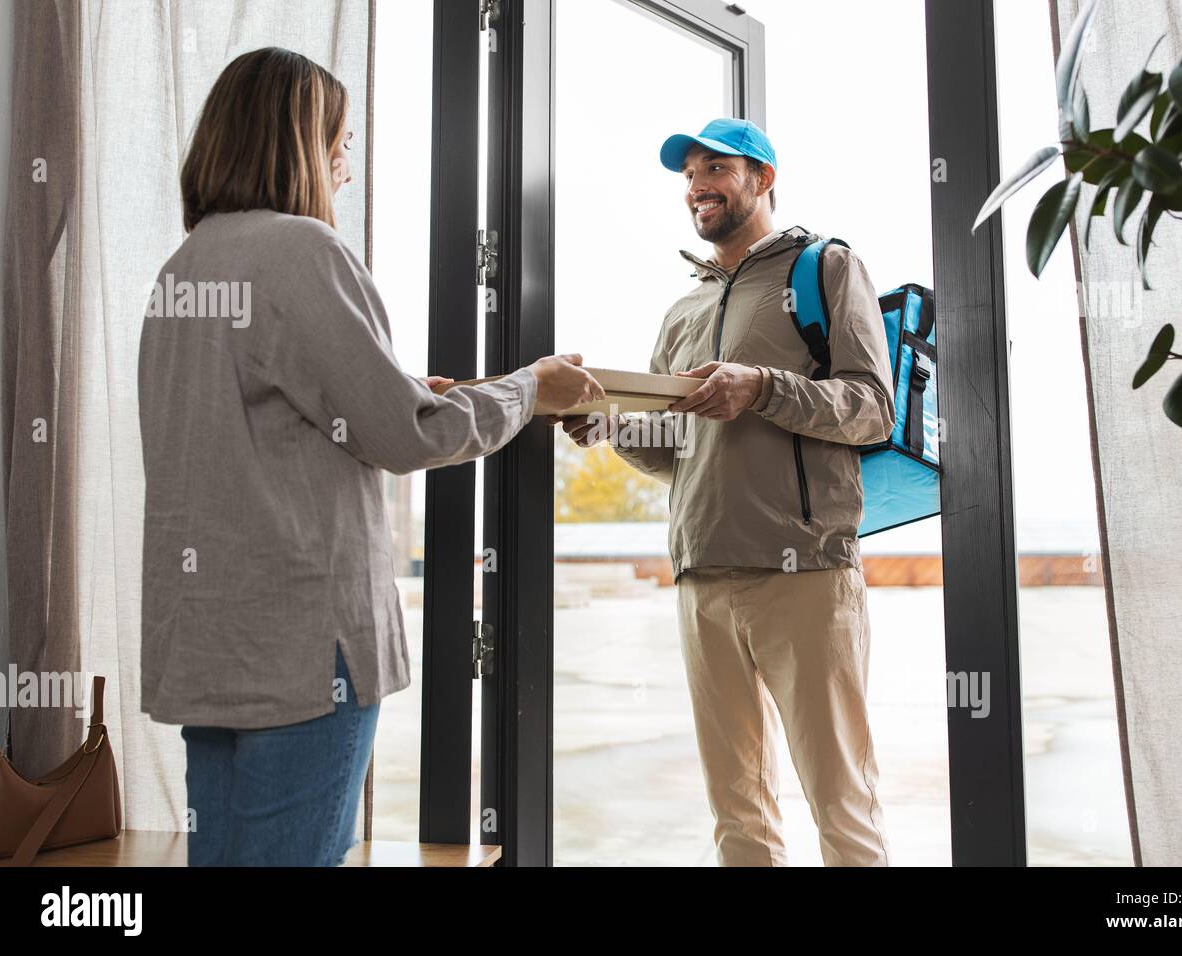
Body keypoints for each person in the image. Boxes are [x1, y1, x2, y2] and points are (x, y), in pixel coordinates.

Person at [138, 47, 602, 866]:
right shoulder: (303, 253)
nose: (345, 170)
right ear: (295, 146)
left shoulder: (183, 270)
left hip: (208, 645)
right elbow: (410, 436)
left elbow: (251, 420)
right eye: (339, 144)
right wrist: (531, 387)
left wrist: (384, 388)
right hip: (303, 652)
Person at [557, 118, 896, 866]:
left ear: (762, 179)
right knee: (737, 817)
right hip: (702, 577)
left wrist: (762, 388)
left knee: (841, 805)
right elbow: (679, 452)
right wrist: (608, 425)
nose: (697, 188)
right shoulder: (683, 311)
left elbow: (874, 409)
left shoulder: (826, 268)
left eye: (715, 169)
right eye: (687, 176)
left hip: (804, 575)